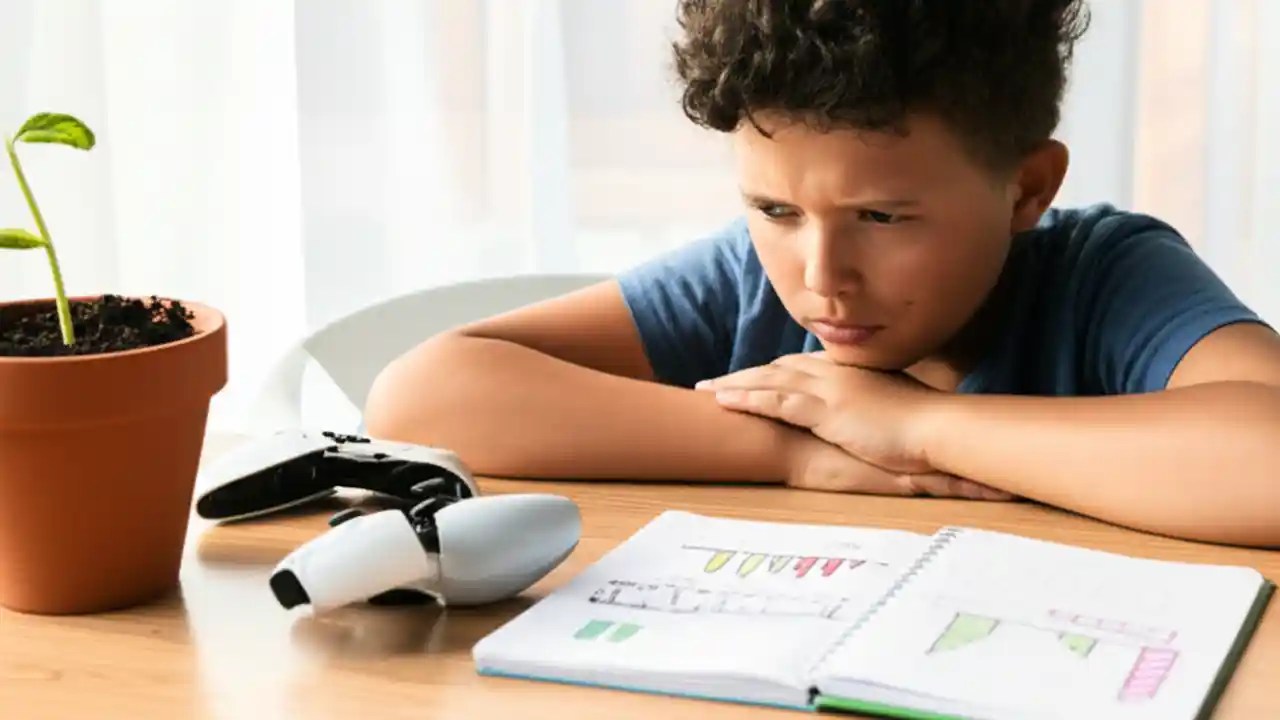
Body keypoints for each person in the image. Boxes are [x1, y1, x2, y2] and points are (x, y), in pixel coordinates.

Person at [364, 0, 1280, 547]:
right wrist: (802, 451)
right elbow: (423, 396)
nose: (821, 275)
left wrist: (915, 425)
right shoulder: (746, 281)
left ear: (1027, 188)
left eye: (881, 217)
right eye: (775, 211)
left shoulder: (1107, 278)